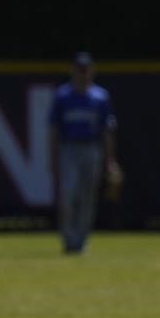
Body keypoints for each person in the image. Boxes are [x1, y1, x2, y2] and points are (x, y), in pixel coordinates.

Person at [48, 51, 119, 254]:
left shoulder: (100, 97)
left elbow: (107, 131)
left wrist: (110, 160)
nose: (83, 73)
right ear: (73, 71)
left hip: (92, 149)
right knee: (69, 194)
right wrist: (52, 158)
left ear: (91, 71)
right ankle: (68, 239)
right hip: (69, 148)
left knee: (88, 197)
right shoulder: (63, 96)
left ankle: (81, 240)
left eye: (86, 69)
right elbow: (53, 129)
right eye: (79, 69)